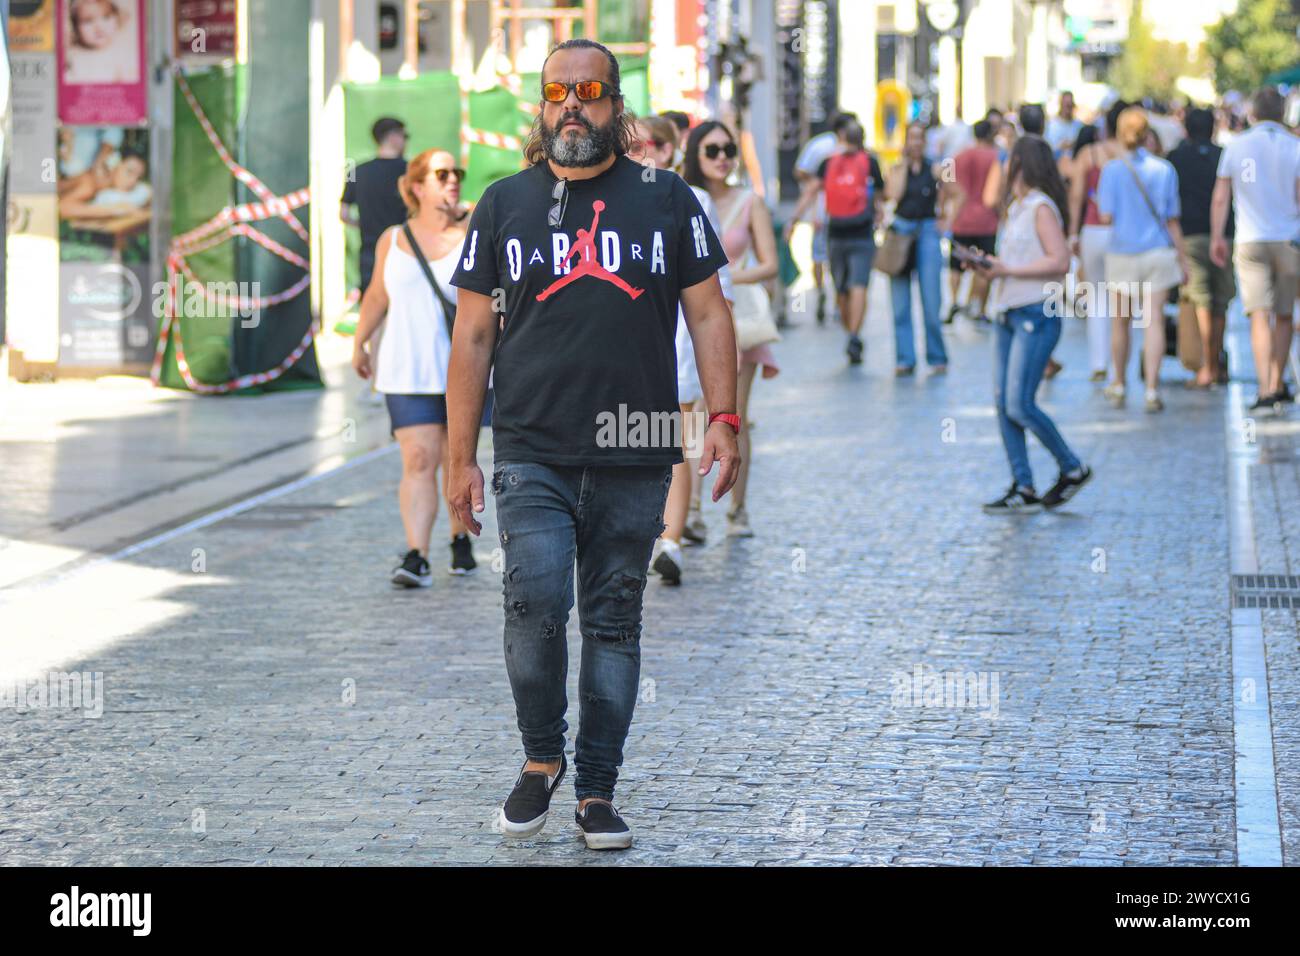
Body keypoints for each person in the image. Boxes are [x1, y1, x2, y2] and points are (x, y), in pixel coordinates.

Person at [444, 38, 739, 851]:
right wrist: (457, 454)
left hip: (637, 448)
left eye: (591, 90)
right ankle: (543, 759)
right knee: (534, 604)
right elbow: (472, 337)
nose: (573, 104)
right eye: (557, 91)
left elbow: (710, 313)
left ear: (617, 107)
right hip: (532, 447)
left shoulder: (668, 198)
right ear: (541, 107)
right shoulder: (502, 204)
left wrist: (724, 419)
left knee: (612, 621)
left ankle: (597, 791)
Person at [350, 149, 482, 586]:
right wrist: (360, 342)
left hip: (462, 372)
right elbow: (376, 296)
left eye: (457, 173)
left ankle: (460, 539)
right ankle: (416, 555)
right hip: (406, 369)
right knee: (419, 458)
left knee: (455, 459)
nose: (453, 181)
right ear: (417, 186)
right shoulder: (394, 238)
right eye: (441, 174)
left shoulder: (473, 233)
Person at [632, 115, 735, 582]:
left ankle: (669, 540)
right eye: (629, 145)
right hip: (625, 349)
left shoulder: (690, 200)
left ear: (671, 150)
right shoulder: (612, 198)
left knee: (672, 440)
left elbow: (717, 284)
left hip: (677, 341)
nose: (639, 153)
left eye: (648, 144)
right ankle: (640, 534)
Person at [975, 136, 1093, 514]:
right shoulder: (1017, 208)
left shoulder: (1042, 208)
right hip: (1008, 310)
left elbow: (1060, 261)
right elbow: (1021, 258)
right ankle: (1023, 485)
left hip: (1037, 312)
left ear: (1022, 166)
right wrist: (988, 264)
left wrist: (1007, 269)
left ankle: (1072, 466)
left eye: (1011, 161)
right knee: (1002, 402)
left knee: (1020, 404)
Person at [683, 119, 779, 537]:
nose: (722, 158)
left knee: (733, 415)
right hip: (689, 323)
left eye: (728, 150)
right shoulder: (682, 199)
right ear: (696, 156)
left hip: (739, 322)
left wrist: (721, 279)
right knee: (690, 414)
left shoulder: (749, 202)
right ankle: (689, 509)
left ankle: (737, 509)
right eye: (712, 150)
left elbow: (772, 264)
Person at [1097, 106, 1190, 413]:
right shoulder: (1164, 170)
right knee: (1154, 323)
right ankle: (1151, 388)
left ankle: (1119, 382)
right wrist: (1184, 259)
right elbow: (1172, 219)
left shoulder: (1111, 170)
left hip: (1123, 252)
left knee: (1120, 323)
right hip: (1158, 252)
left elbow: (1105, 215)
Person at [1211, 87, 1300, 409]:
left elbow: (1222, 195)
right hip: (1289, 237)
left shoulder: (1236, 146)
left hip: (1249, 237)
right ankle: (1279, 380)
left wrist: (1218, 236)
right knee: (1285, 315)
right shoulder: (1295, 147)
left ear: (1253, 113)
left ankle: (1264, 386)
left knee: (1258, 315)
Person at [786, 118, 883, 363]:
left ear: (841, 138)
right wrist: (878, 214)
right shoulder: (870, 162)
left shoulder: (828, 163)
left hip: (836, 232)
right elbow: (882, 195)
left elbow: (810, 192)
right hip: (862, 231)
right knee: (859, 284)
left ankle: (849, 330)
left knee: (840, 288)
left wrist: (794, 220)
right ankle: (854, 334)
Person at [1168, 106, 1235, 388]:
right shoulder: (1223, 155)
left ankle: (1207, 367)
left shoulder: (1175, 158)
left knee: (1202, 301)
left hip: (1190, 235)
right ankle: (1215, 360)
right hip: (1225, 236)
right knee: (1220, 301)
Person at [1069, 99, 1128, 383]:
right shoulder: (1134, 156)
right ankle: (1120, 367)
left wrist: (1072, 232)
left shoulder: (1089, 155)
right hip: (1123, 233)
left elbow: (1077, 196)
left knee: (1097, 299)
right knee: (1124, 302)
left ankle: (1098, 362)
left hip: (1093, 230)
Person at [884, 123, 949, 375]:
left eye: (920, 138)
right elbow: (893, 195)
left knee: (931, 300)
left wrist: (946, 218)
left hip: (928, 233)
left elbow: (956, 193)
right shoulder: (896, 168)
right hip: (901, 233)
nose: (916, 143)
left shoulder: (937, 168)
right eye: (911, 138)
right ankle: (905, 358)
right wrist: (903, 164)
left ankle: (937, 355)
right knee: (900, 302)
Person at [793, 112, 857, 323]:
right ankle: (838, 300)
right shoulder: (846, 150)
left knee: (819, 255)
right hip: (839, 212)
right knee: (839, 257)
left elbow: (800, 171)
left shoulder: (819, 145)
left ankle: (822, 291)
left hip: (821, 210)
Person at [942, 119, 1001, 324]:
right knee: (984, 265)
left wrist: (949, 196)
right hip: (987, 219)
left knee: (956, 265)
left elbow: (945, 174)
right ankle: (980, 308)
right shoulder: (996, 157)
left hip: (962, 218)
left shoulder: (961, 155)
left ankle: (954, 301)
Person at [1045, 91, 1084, 157]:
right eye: (1066, 104)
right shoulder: (1051, 125)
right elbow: (1048, 148)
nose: (1068, 107)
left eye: (1070, 105)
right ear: (1060, 104)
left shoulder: (1079, 125)